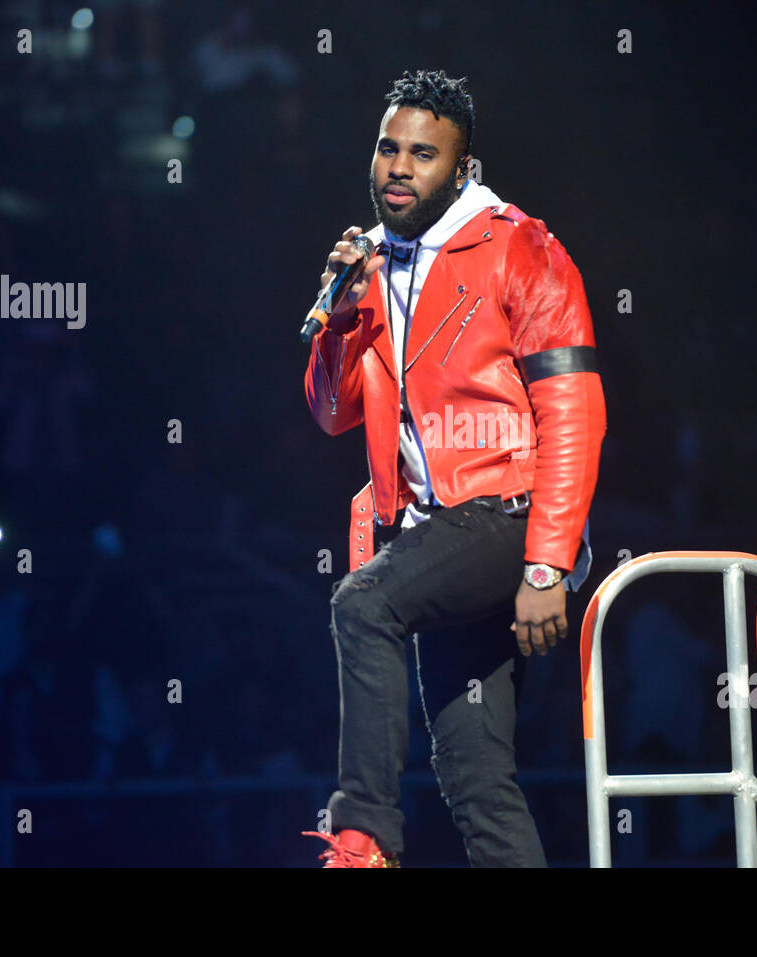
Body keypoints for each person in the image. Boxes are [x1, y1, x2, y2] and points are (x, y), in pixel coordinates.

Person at [300, 69, 606, 867]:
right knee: (473, 773)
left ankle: (362, 837)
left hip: (509, 513)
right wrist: (341, 319)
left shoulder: (521, 247)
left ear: (461, 171)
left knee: (362, 604)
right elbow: (332, 412)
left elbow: (574, 411)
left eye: (423, 155)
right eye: (388, 148)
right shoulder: (370, 264)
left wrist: (546, 563)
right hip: (435, 532)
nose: (398, 167)